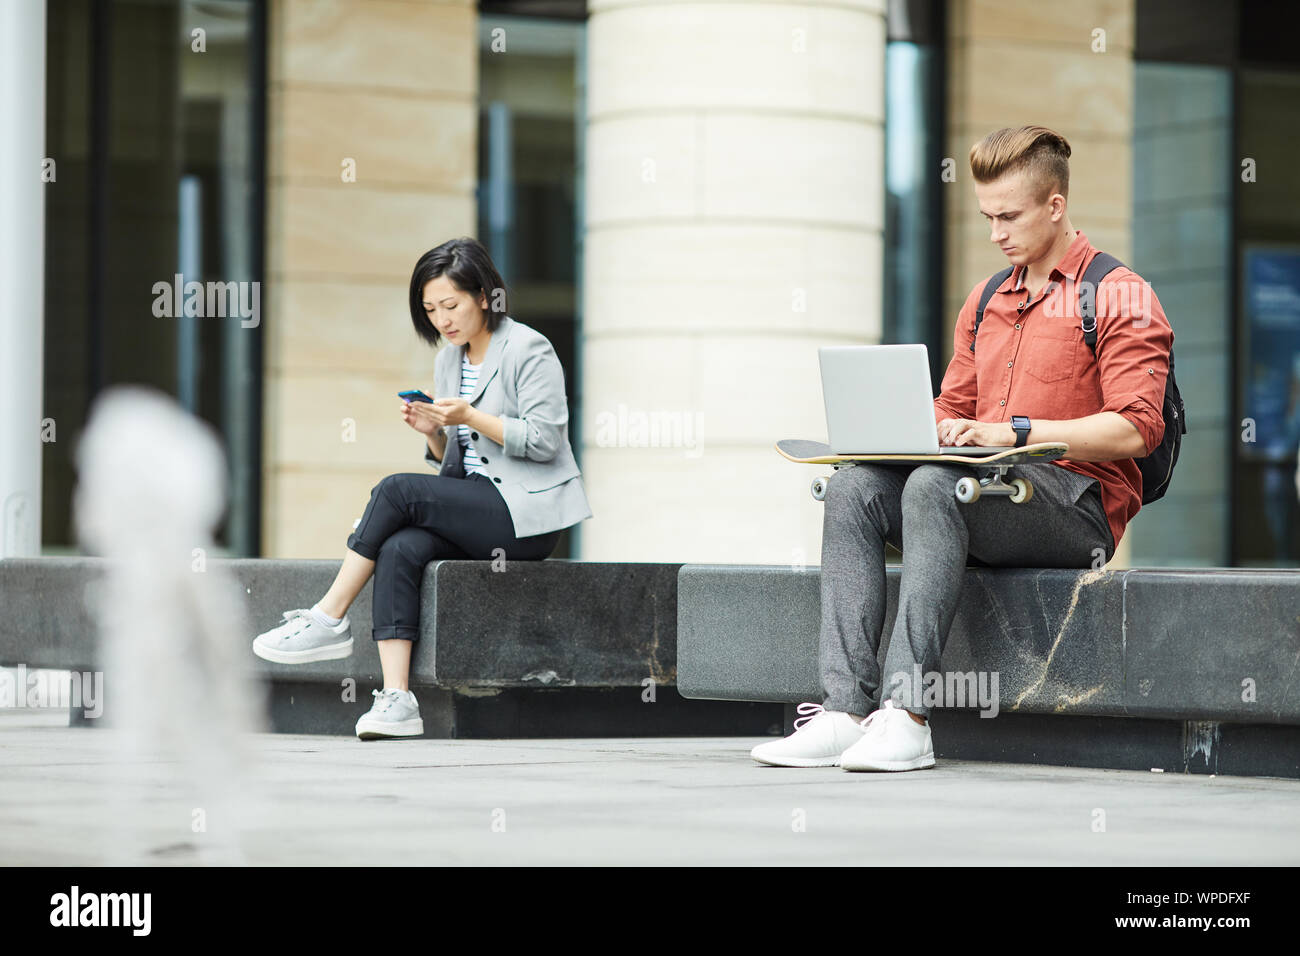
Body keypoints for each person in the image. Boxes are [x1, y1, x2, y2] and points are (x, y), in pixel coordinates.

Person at [752, 126, 1173, 771]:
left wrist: (1014, 432)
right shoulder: (984, 302)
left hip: (1074, 505)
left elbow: (1137, 429)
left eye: (1010, 215)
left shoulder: (1120, 294)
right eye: (987, 217)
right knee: (854, 487)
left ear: (1055, 206)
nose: (997, 232)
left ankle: (907, 715)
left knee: (931, 486)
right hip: (981, 489)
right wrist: (928, 428)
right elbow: (954, 407)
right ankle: (844, 711)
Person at [252, 237, 592, 740]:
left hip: (524, 518)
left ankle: (329, 618)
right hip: (474, 504)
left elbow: (545, 440)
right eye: (430, 310)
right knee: (399, 546)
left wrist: (472, 415)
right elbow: (457, 460)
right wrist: (433, 433)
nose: (442, 320)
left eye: (451, 305)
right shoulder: (449, 360)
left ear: (483, 295)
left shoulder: (528, 348)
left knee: (395, 491)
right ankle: (397, 700)